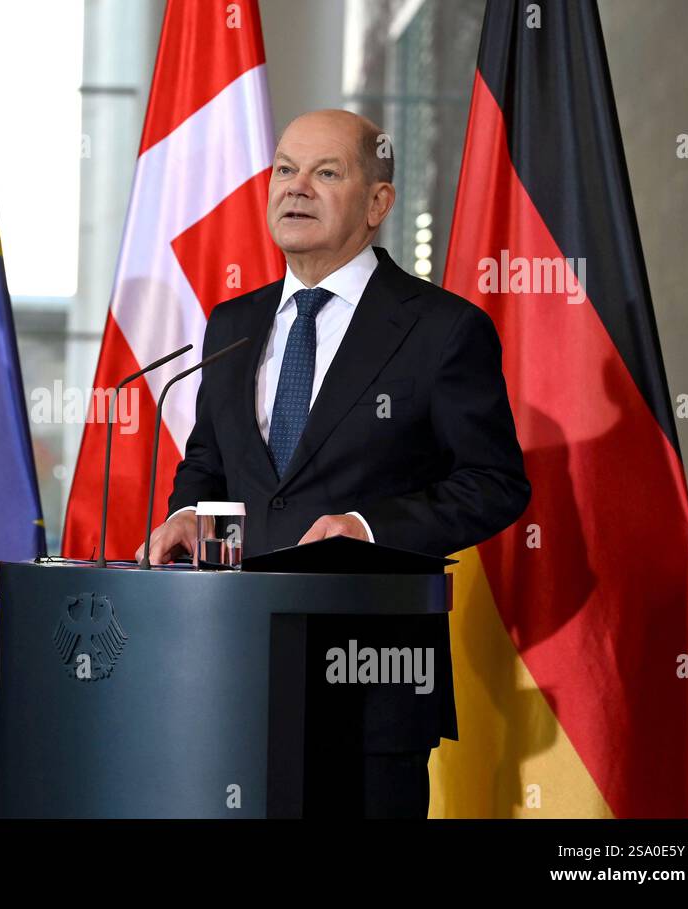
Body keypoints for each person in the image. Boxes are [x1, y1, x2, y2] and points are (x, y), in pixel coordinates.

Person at [138, 109, 531, 817]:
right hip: (232, 673)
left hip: (372, 682)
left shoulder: (442, 329)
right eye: (285, 170)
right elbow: (209, 460)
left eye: (326, 173)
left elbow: (495, 483)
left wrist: (367, 526)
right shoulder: (233, 323)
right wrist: (186, 512)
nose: (297, 188)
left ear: (378, 202)